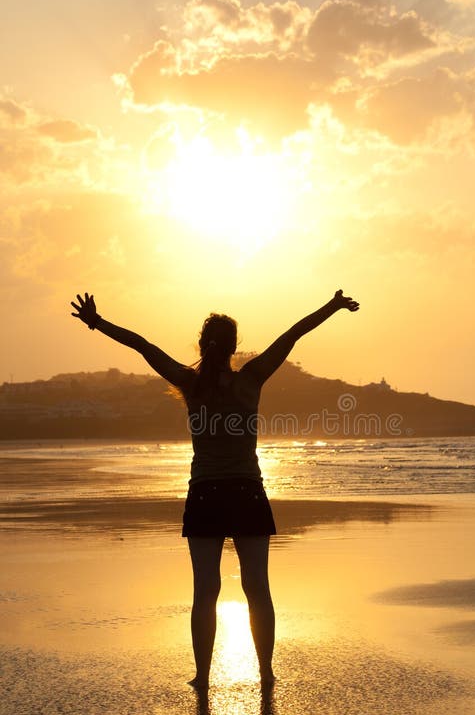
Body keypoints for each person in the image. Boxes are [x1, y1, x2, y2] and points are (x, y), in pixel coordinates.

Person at [70, 289, 359, 690]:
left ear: (203, 344)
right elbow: (292, 335)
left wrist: (97, 323)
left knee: (206, 590)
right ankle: (266, 672)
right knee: (257, 585)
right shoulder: (251, 380)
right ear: (234, 346)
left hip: (205, 492)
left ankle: (202, 677)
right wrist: (332, 307)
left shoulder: (191, 384)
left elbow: (142, 346)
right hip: (246, 491)